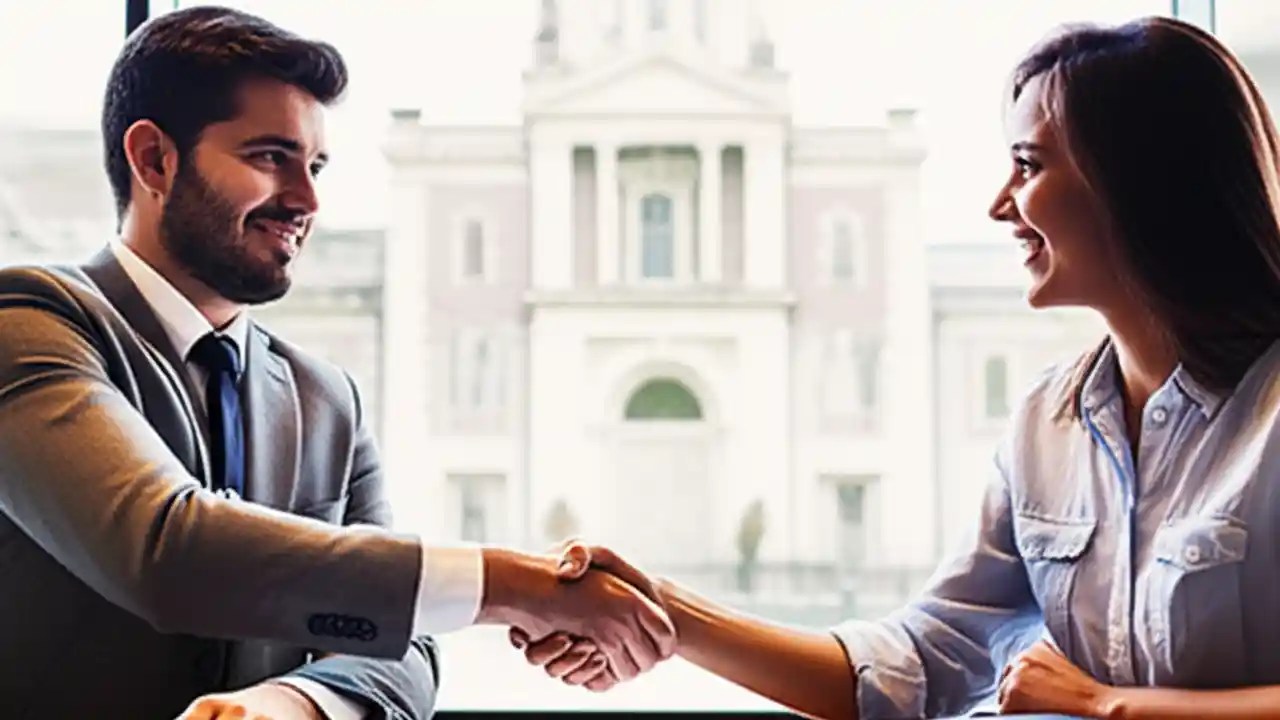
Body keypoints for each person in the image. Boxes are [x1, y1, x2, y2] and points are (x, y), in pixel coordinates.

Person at [513, 16, 1280, 720]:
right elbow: (913, 667)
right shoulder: (1046, 427)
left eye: (1027, 165)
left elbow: (1074, 698)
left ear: (1136, 179)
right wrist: (668, 615)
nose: (999, 205)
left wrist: (1112, 707)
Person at [0, 7, 673, 719]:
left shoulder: (326, 400)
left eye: (315, 165)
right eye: (270, 157)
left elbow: (407, 646)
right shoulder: (30, 323)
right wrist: (513, 585)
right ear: (154, 160)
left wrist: (295, 702)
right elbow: (166, 549)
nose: (307, 200)